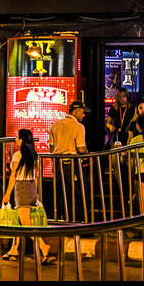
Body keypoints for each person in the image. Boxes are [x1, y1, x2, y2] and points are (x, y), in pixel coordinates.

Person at [1, 128, 53, 263]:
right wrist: (36, 194)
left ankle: (44, 247)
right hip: (31, 189)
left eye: (18, 138)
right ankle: (14, 249)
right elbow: (35, 177)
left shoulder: (18, 155)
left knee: (25, 223)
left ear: (22, 140)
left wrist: (7, 194)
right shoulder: (34, 156)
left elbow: (14, 176)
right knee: (19, 221)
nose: (16, 140)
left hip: (22, 189)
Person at [49, 100, 89, 247]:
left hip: (58, 165)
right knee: (77, 195)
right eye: (83, 112)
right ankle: (76, 225)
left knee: (61, 194)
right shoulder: (78, 127)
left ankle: (61, 223)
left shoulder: (55, 125)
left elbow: (51, 147)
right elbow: (81, 148)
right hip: (72, 165)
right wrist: (87, 156)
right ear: (76, 111)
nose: (84, 115)